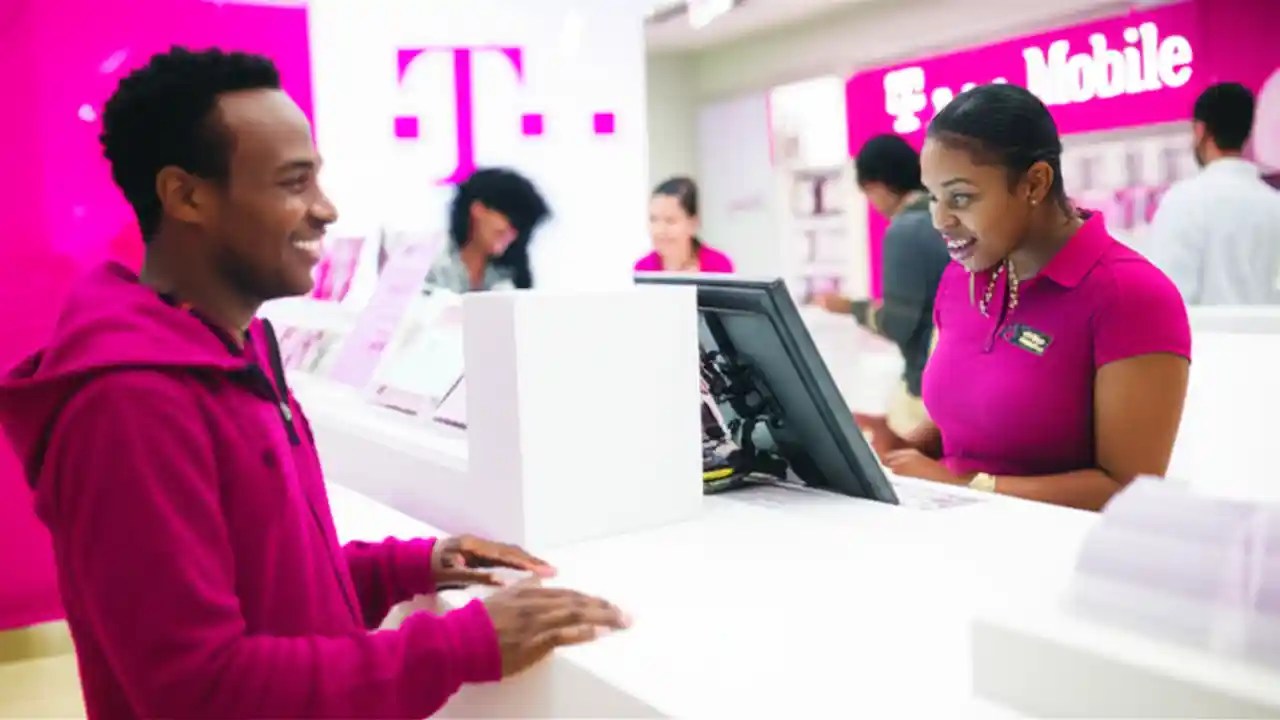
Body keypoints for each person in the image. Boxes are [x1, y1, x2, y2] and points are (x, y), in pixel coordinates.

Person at [0, 48, 626, 720]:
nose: (326, 210)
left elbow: (274, 586)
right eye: (293, 183)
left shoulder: (235, 352)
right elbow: (198, 691)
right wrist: (461, 645)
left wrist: (411, 566)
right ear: (186, 196)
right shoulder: (129, 406)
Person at [884, 83, 1191, 512]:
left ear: (1035, 183)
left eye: (961, 197)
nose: (940, 219)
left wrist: (965, 486)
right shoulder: (959, 280)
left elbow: (1126, 490)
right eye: (934, 197)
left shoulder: (1133, 296)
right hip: (946, 535)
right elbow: (960, 424)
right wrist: (890, 451)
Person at [815, 135, 950, 447]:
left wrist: (851, 308)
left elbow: (898, 324)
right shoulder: (945, 219)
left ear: (876, 186)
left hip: (927, 389)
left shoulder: (905, 230)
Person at [1147, 82, 1280, 305]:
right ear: (1247, 133)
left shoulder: (1182, 202)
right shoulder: (1274, 205)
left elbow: (1166, 299)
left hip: (1200, 328)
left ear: (1200, 131)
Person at [423, 167, 550, 293]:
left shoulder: (509, 277)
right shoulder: (428, 263)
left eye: (520, 227)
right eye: (510, 220)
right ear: (478, 209)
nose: (511, 233)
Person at [635, 176, 734, 273]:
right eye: (654, 220)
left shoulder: (718, 265)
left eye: (670, 221)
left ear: (693, 224)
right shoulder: (643, 268)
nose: (660, 230)